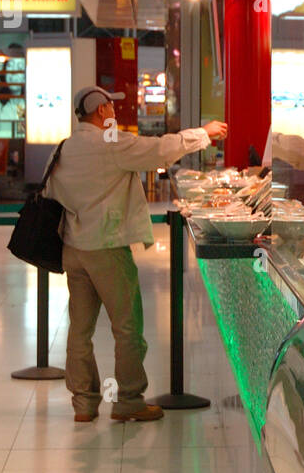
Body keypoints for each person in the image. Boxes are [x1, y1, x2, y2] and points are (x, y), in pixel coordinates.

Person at [45, 85, 227, 422]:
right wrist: (203, 133)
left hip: (73, 247)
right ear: (101, 111)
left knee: (80, 329)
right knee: (127, 327)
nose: (114, 113)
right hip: (107, 247)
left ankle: (83, 404)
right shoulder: (110, 142)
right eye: (111, 107)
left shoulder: (66, 147)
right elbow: (158, 150)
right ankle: (128, 399)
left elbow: (53, 192)